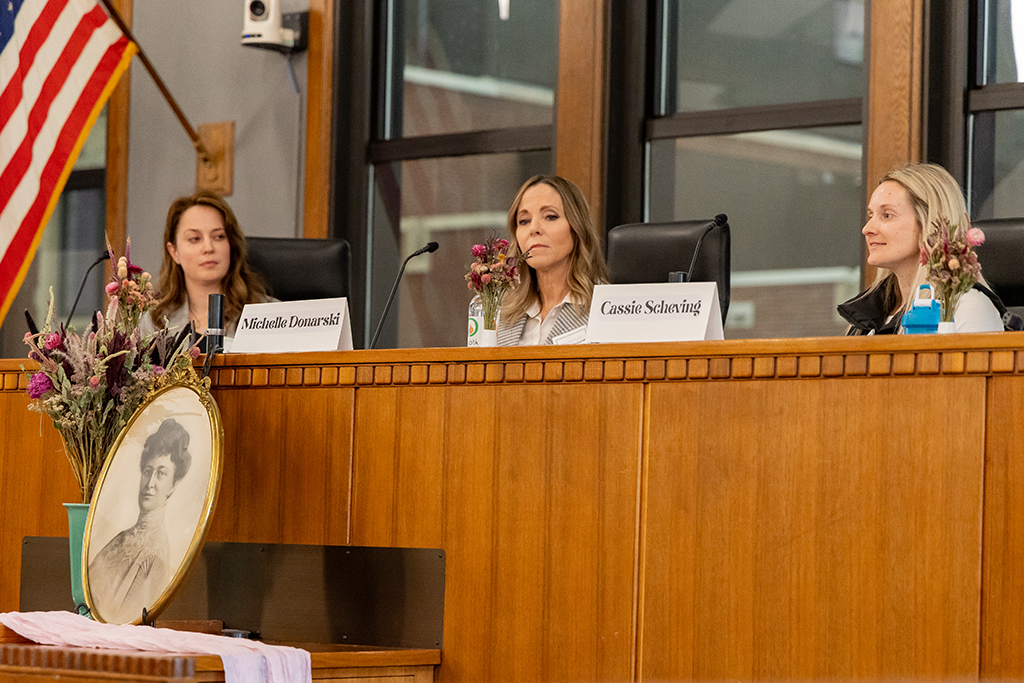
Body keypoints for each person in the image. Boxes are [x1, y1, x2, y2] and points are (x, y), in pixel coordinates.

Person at [838, 163, 1003, 334]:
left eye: (887, 215)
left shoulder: (967, 308)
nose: (867, 229)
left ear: (931, 223)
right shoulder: (866, 319)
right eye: (871, 215)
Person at [88, 419, 192, 623]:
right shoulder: (120, 539)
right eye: (148, 471)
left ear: (172, 485)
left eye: (161, 474)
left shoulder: (155, 559)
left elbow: (124, 622)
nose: (150, 483)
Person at [497, 175, 609, 345]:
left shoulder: (607, 308)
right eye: (524, 221)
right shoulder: (499, 311)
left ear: (576, 227)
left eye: (550, 216)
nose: (534, 229)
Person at [143, 191, 270, 340]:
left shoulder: (268, 314)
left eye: (219, 237)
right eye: (194, 239)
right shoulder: (153, 320)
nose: (208, 248)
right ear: (174, 252)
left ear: (231, 245)